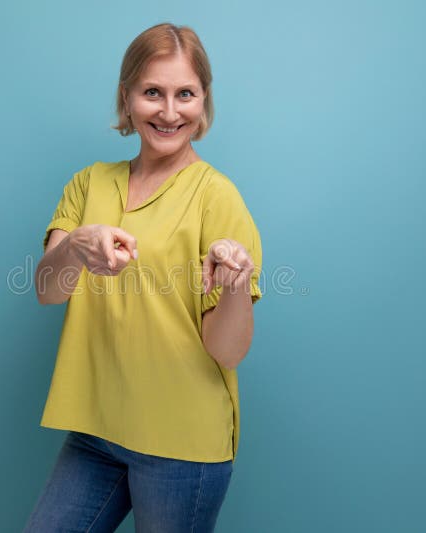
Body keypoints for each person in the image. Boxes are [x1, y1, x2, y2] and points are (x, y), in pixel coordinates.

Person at [24, 22, 262, 533]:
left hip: (182, 446)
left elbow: (228, 351)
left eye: (186, 94)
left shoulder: (217, 198)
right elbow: (47, 291)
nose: (170, 112)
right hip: (97, 431)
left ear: (204, 101)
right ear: (127, 97)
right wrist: (78, 245)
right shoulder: (89, 184)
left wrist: (236, 284)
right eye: (153, 92)